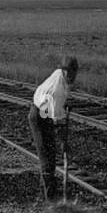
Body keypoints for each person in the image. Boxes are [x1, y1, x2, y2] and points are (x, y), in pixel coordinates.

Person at [29, 55, 78, 202]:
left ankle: (47, 193)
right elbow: (55, 119)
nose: (71, 75)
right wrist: (63, 142)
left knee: (50, 154)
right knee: (47, 157)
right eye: (68, 72)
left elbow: (56, 111)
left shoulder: (60, 77)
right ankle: (48, 198)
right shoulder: (56, 90)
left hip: (44, 113)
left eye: (73, 72)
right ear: (63, 71)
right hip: (39, 116)